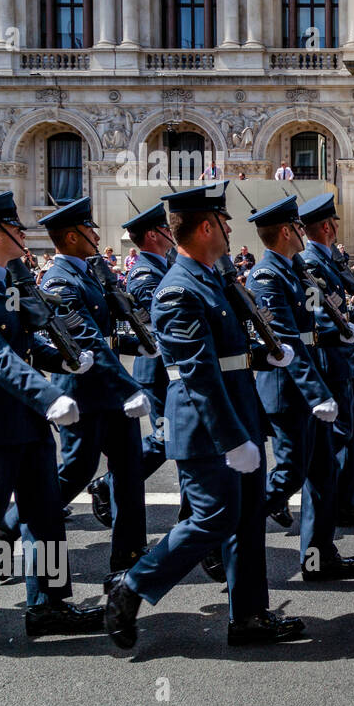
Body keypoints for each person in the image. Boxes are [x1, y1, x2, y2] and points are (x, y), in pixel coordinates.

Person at [104, 182, 305, 649]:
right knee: (213, 519)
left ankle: (249, 616)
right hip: (207, 428)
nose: (232, 229)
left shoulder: (212, 277)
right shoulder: (178, 289)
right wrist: (233, 439)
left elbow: (228, 355)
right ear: (208, 226)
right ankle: (133, 584)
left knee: (247, 519)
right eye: (225, 221)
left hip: (238, 416)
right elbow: (197, 374)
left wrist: (262, 356)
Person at [0, 192, 104, 637]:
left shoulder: (11, 280)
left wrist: (63, 359)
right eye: (15, 229)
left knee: (44, 515)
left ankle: (49, 605)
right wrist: (48, 396)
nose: (24, 235)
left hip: (25, 417)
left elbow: (26, 344)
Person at [246, 196, 354, 582]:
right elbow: (284, 343)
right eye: (299, 227)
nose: (305, 232)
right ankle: (227, 533)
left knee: (322, 472)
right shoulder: (266, 276)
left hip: (308, 383)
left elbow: (316, 323)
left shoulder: (295, 268)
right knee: (289, 475)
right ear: (286, 231)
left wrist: (348, 339)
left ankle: (317, 557)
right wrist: (318, 394)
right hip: (286, 389)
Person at [32, 198, 153, 577]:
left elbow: (109, 334)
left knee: (129, 472)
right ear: (71, 236)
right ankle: (13, 521)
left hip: (112, 388)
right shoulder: (58, 281)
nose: (97, 236)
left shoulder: (89, 274)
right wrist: (129, 386)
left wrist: (146, 344)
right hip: (83, 392)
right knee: (76, 472)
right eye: (89, 230)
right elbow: (86, 337)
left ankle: (129, 557)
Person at [86, 205, 188, 551]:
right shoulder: (145, 273)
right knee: (168, 439)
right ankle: (108, 485)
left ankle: (111, 485)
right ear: (153, 235)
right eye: (164, 229)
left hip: (168, 368)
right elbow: (156, 324)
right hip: (157, 370)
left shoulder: (164, 266)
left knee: (172, 439)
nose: (171, 234)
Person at [298, 194, 354, 528]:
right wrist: (346, 329)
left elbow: (340, 306)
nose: (336, 228)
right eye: (332, 223)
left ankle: (348, 502)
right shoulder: (310, 261)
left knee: (348, 434)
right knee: (333, 438)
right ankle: (327, 507)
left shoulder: (329, 259)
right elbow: (318, 311)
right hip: (328, 357)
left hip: (341, 355)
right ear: (325, 226)